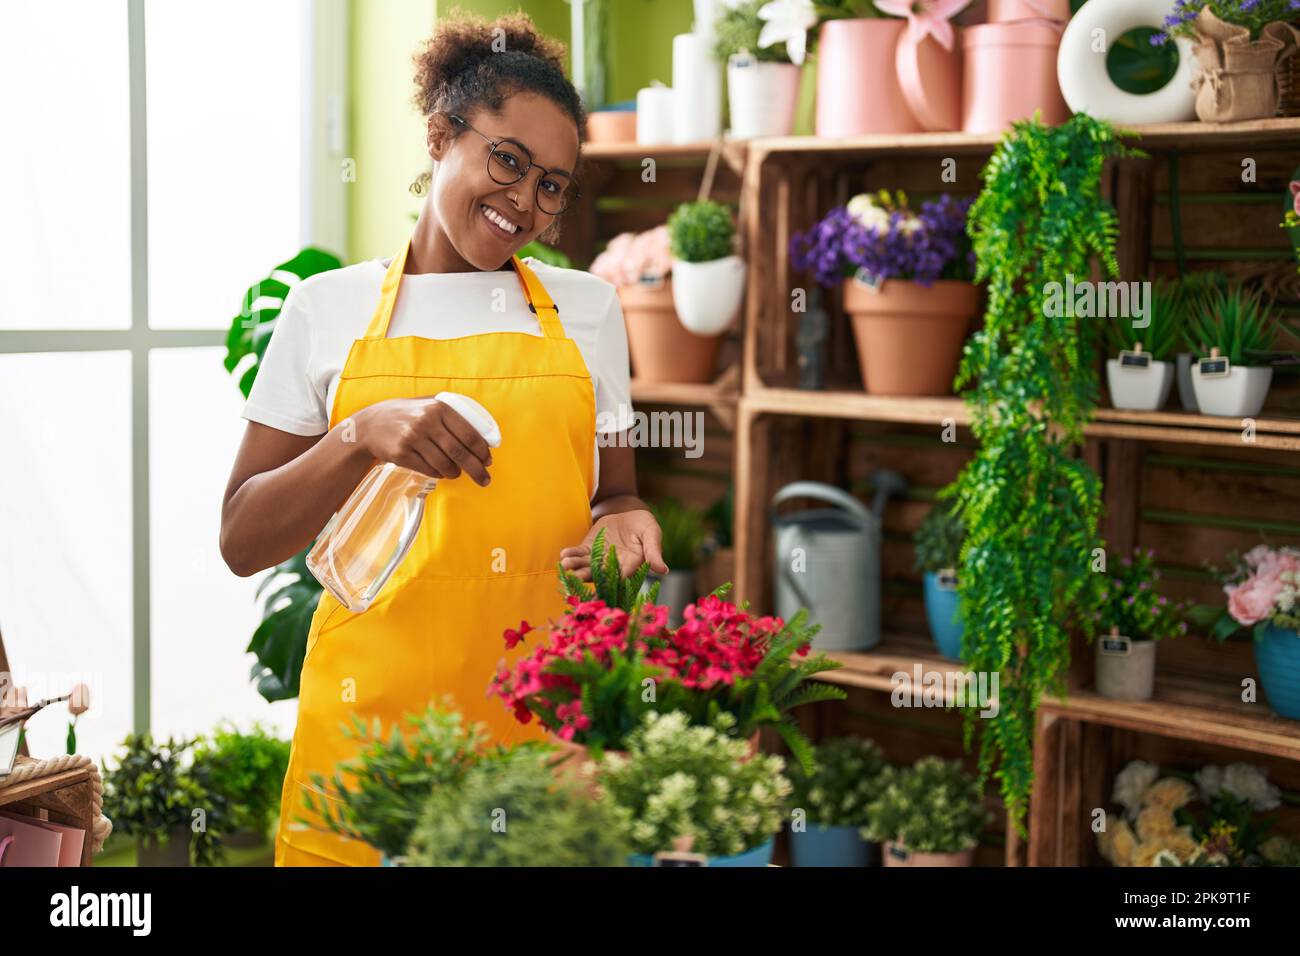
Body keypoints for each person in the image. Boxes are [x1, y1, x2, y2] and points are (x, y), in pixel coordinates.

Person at [219, 11, 667, 867]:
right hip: (374, 737)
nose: (524, 203)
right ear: (439, 135)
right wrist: (358, 436)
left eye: (552, 185)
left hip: (541, 732)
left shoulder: (589, 310)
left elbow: (616, 493)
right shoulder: (330, 309)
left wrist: (623, 524)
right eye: (507, 160)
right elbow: (242, 539)